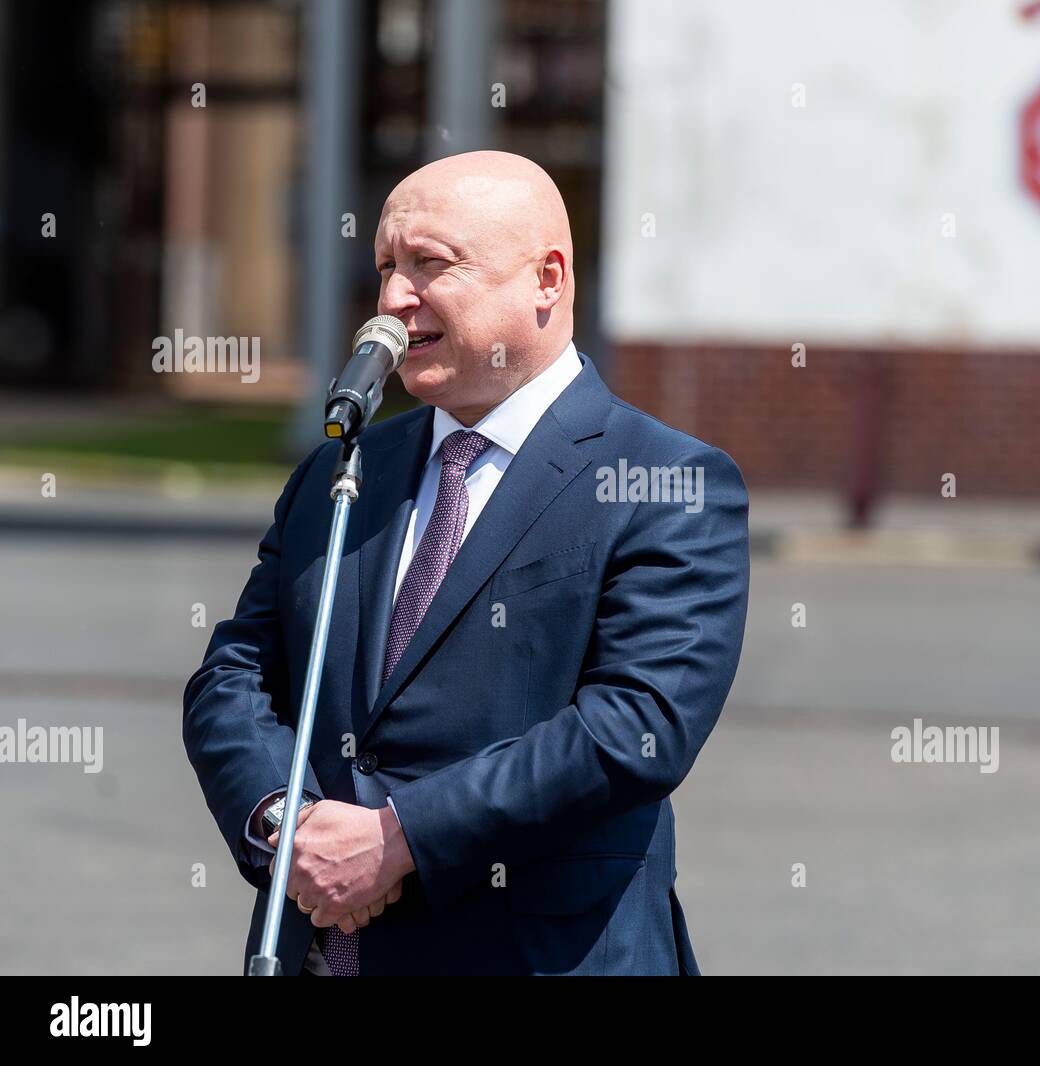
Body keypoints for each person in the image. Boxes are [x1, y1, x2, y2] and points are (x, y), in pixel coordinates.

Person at [182, 150, 749, 975]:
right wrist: (285, 821)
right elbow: (234, 675)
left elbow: (636, 728)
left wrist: (400, 837)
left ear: (546, 280)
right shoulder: (342, 473)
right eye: (384, 267)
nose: (390, 300)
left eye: (429, 265)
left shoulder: (667, 481)